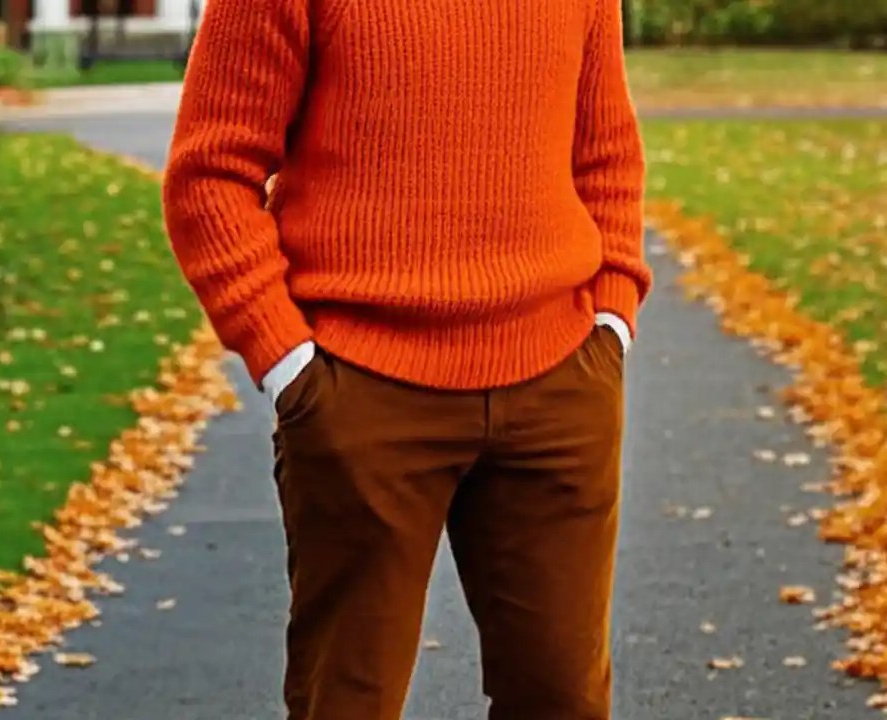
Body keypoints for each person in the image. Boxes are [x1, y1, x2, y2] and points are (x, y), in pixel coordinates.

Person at [161, 0, 650, 717]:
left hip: (561, 383)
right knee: (348, 701)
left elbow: (605, 149)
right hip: (362, 393)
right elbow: (210, 174)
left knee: (564, 699)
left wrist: (611, 318)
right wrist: (287, 363)